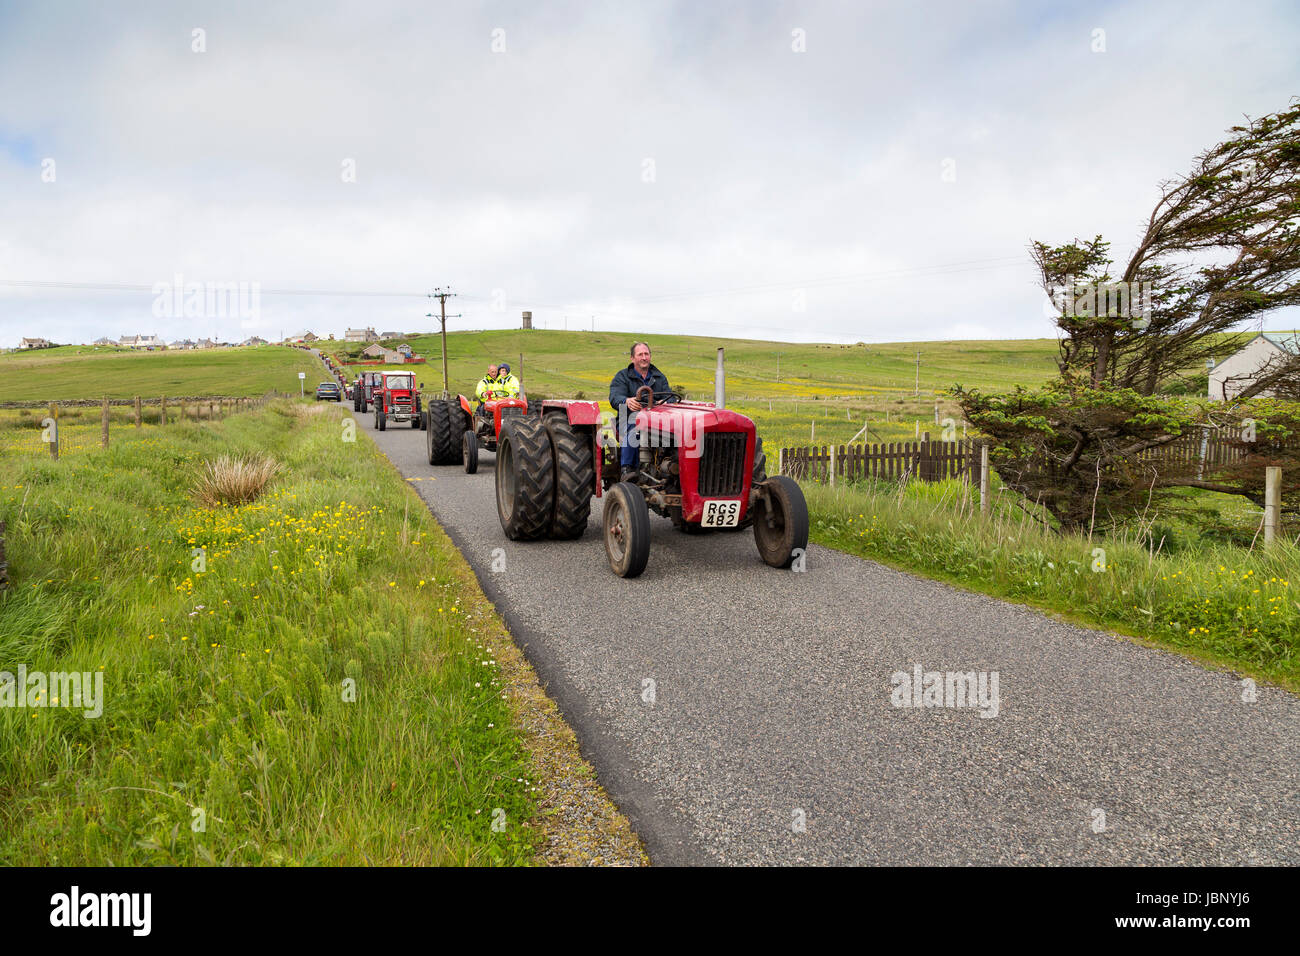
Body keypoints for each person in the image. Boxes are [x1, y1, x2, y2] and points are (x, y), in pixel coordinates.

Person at [609, 341, 678, 482]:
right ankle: (627, 470)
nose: (644, 357)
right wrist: (626, 401)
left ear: (650, 356)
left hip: (657, 422)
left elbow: (670, 398)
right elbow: (615, 397)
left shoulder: (659, 377)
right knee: (634, 432)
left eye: (646, 354)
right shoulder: (622, 376)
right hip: (628, 418)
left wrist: (662, 403)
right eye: (640, 354)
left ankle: (671, 469)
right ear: (632, 358)